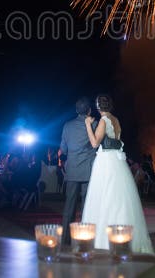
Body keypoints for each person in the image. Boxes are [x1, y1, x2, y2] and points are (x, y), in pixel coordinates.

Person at [82, 94, 153, 254]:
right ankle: (122, 236)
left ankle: (103, 240)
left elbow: (94, 143)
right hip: (117, 161)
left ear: (98, 107)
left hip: (106, 162)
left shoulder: (103, 120)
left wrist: (88, 125)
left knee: (104, 197)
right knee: (119, 198)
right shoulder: (116, 120)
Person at [59, 97, 97, 245]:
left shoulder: (67, 126)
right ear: (89, 110)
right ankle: (85, 240)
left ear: (76, 110)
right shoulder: (93, 124)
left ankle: (65, 240)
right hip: (88, 171)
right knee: (87, 207)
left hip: (72, 171)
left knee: (69, 207)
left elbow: (63, 149)